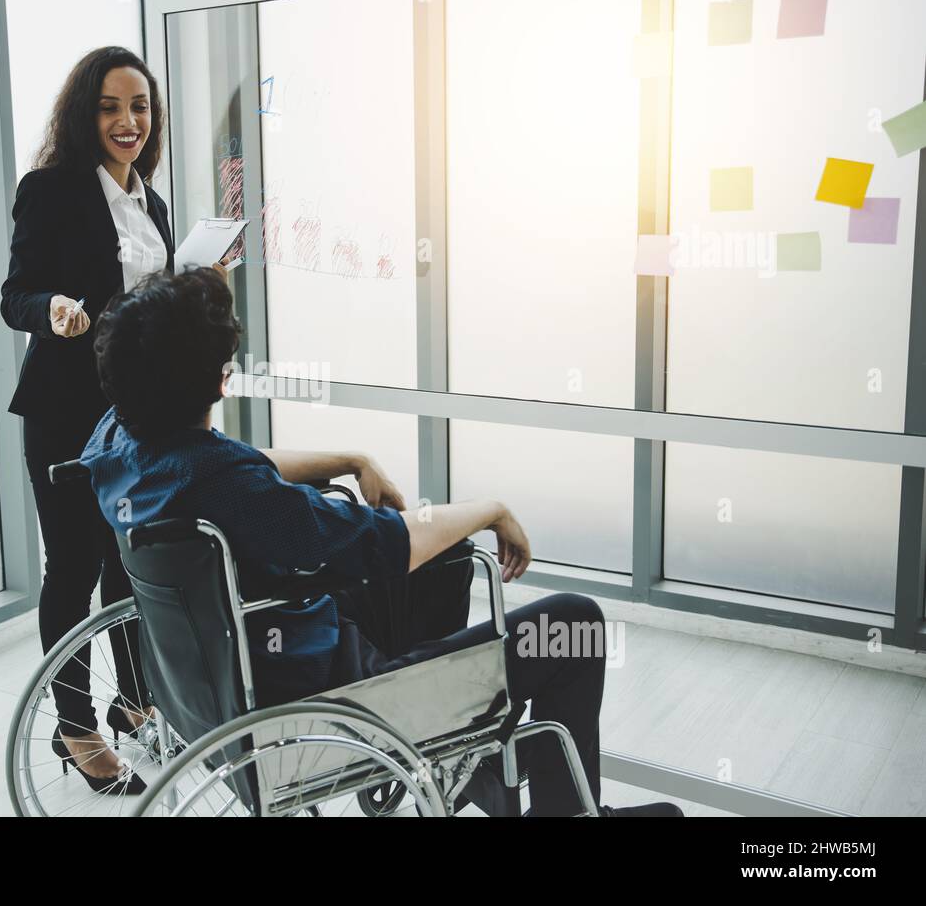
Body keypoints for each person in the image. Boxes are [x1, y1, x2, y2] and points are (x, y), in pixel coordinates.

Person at [79, 268, 683, 817]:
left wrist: (350, 458)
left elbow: (236, 465)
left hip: (221, 682)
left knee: (442, 566)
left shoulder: (120, 442)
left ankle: (472, 765)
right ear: (220, 380)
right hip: (319, 692)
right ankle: (559, 809)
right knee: (572, 623)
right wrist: (489, 511)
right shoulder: (238, 492)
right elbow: (382, 542)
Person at [0, 45, 223, 795]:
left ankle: (134, 704)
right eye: (110, 107)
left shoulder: (150, 203)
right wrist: (53, 308)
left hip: (136, 415)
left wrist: (200, 283)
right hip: (65, 413)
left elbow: (149, 313)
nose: (128, 121)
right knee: (73, 568)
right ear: (84, 114)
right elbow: (16, 294)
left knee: (130, 563)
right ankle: (75, 728)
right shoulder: (51, 190)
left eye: (139, 107)